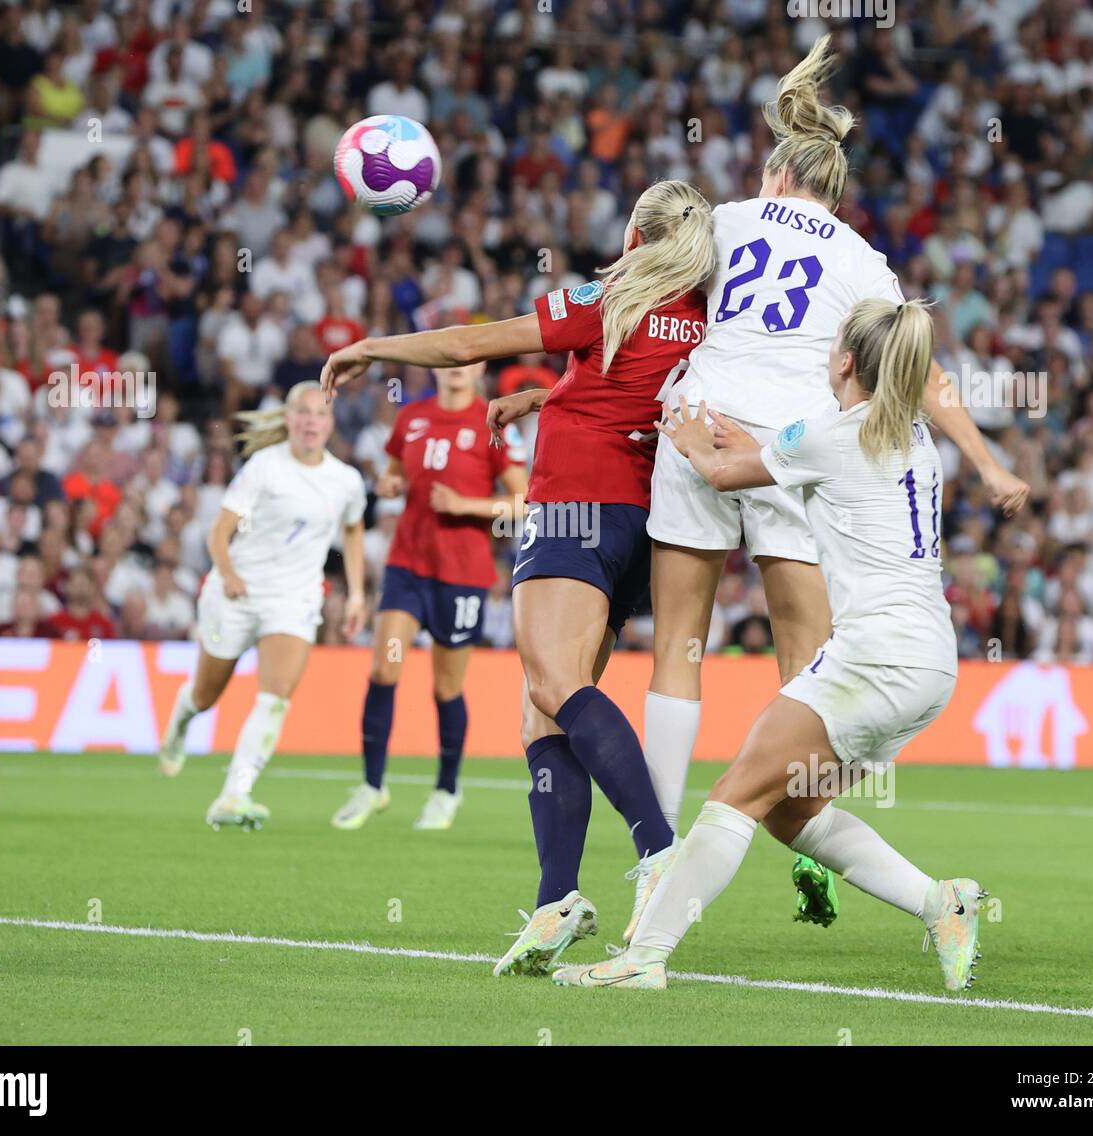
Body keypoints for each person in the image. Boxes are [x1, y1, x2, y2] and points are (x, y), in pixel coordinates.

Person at [636, 37, 1029, 921]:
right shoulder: (861, 261)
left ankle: (656, 852)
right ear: (832, 190)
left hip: (702, 425)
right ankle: (798, 826)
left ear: (774, 174)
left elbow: (638, 294)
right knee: (805, 666)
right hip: (796, 444)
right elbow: (920, 374)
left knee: (678, 651)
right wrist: (987, 458)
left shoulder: (726, 219)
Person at [323, 180, 715, 974]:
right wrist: (549, 394)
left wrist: (375, 347)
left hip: (572, 504)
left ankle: (660, 849)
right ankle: (555, 903)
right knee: (547, 717)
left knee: (549, 682)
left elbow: (472, 344)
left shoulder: (607, 296)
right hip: (641, 519)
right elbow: (634, 395)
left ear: (636, 235)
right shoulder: (704, 315)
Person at [555, 299, 984, 992]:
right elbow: (770, 453)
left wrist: (688, 431)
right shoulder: (908, 434)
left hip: (873, 656)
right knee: (791, 810)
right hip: (930, 662)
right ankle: (943, 903)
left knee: (731, 798)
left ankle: (644, 959)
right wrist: (728, 438)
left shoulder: (834, 436)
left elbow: (726, 474)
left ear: (844, 360)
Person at [157, 381, 367, 830]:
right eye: (303, 413)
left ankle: (235, 794)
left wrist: (357, 592)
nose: (311, 421)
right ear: (288, 419)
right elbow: (219, 530)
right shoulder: (264, 467)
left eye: (320, 414)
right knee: (206, 694)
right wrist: (229, 574)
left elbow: (352, 530)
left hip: (293, 600)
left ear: (331, 423)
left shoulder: (346, 480)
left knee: (275, 698)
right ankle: (180, 718)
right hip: (237, 592)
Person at [330, 362, 529, 832]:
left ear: (479, 366)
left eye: (468, 361)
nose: (458, 369)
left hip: (462, 573)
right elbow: (394, 474)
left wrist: (466, 506)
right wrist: (390, 484)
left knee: (446, 687)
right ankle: (373, 786)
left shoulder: (492, 423)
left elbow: (525, 502)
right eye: (450, 360)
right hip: (408, 565)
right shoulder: (412, 417)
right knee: (384, 667)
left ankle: (446, 790)